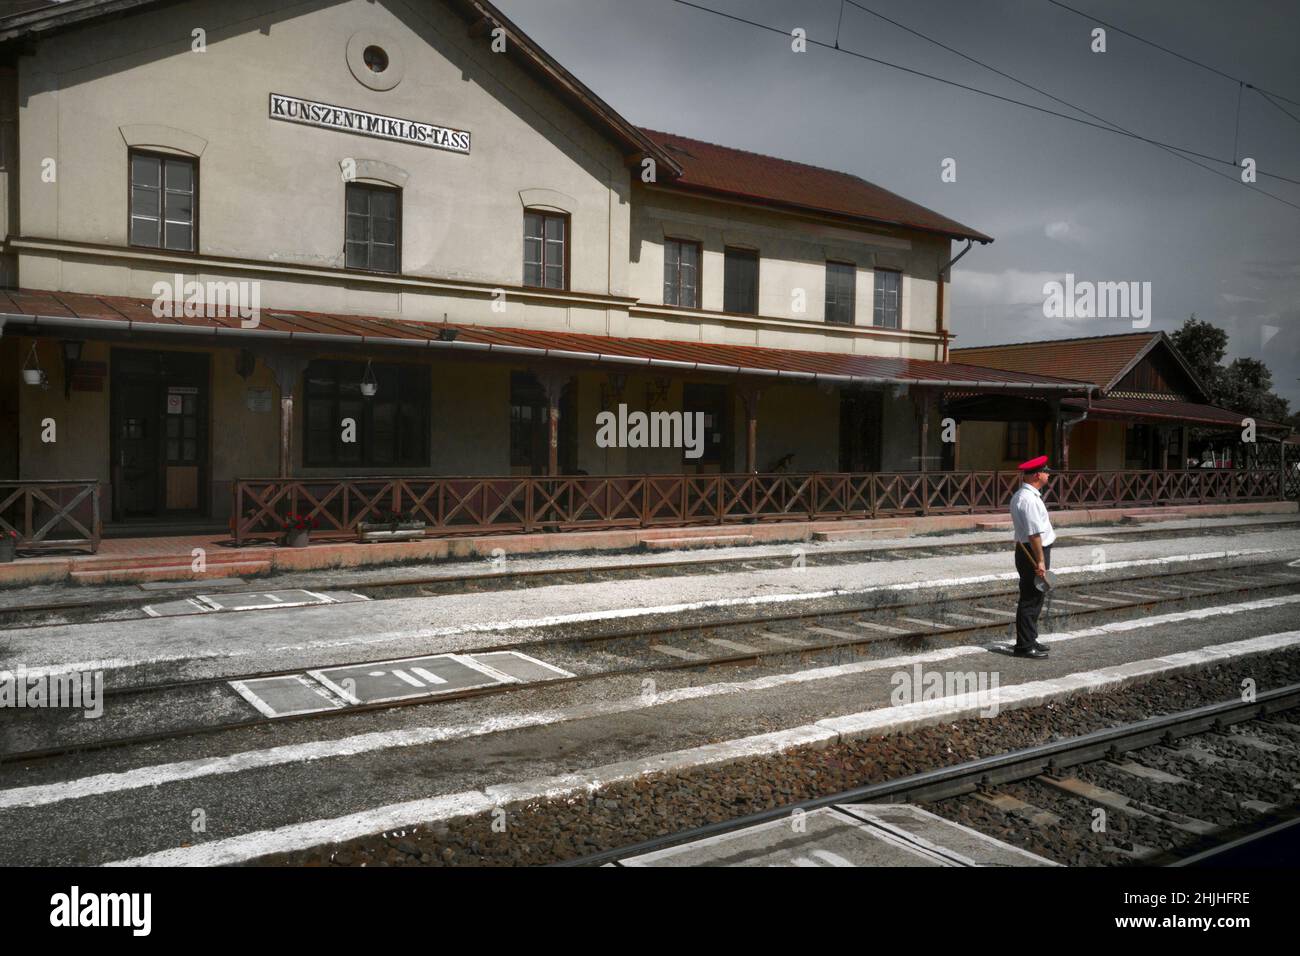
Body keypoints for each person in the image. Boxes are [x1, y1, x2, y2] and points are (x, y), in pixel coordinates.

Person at [1009, 455, 1055, 659]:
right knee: (1031, 597)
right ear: (1038, 475)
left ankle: (1030, 638)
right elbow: (1034, 534)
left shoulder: (1027, 495)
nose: (1048, 474)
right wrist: (1041, 561)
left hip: (1031, 551)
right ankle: (1024, 646)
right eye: (1046, 471)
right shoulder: (1028, 499)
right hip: (1032, 552)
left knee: (1036, 595)